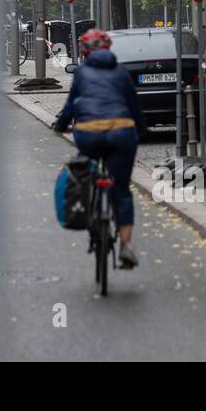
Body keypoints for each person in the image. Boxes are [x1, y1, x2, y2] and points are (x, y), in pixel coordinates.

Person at [51, 28, 147, 269]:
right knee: (122, 190)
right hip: (122, 134)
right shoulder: (121, 72)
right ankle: (126, 246)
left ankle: (89, 202)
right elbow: (134, 106)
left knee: (85, 170)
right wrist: (142, 131)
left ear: (84, 52)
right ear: (108, 49)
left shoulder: (81, 73)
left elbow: (71, 105)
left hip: (90, 134)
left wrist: (60, 125)